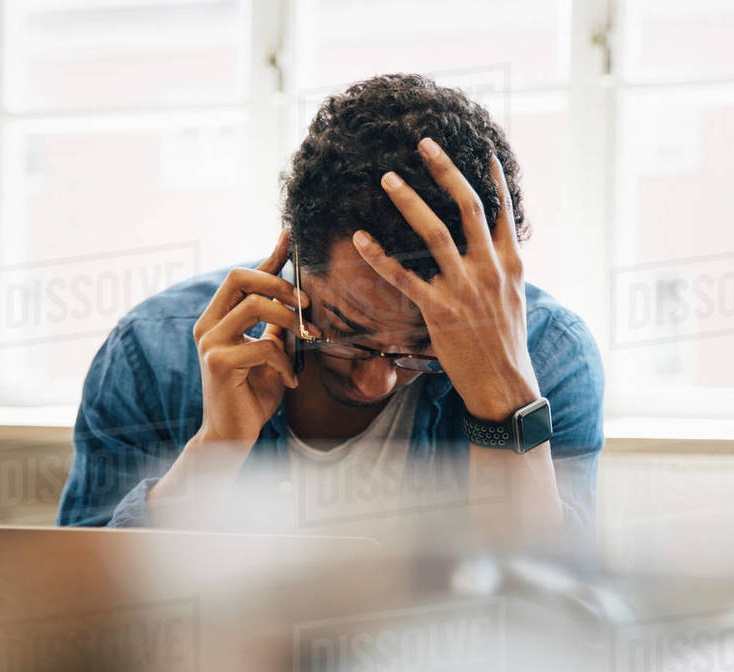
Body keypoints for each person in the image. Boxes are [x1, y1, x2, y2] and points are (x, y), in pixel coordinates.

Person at [57, 74, 604, 544]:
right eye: (346, 334)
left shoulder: (551, 356)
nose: (376, 381)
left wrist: (505, 405)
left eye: (423, 347)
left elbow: (555, 623)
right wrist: (216, 448)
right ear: (295, 257)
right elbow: (80, 626)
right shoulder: (149, 356)